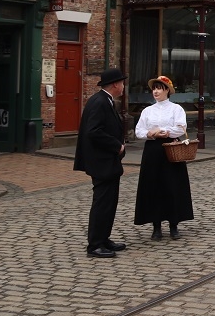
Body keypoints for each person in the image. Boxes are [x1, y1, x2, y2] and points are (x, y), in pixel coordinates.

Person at [73, 68, 128, 258]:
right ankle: (95, 244)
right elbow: (93, 131)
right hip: (101, 162)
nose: (123, 86)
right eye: (122, 83)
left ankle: (104, 238)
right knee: (102, 203)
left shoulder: (106, 100)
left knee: (109, 202)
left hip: (108, 162)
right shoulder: (100, 102)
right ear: (115, 84)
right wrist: (116, 146)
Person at [133, 76, 194, 241]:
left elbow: (181, 127)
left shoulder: (176, 109)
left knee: (172, 185)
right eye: (154, 88)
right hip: (153, 151)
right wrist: (150, 133)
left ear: (167, 90)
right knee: (154, 187)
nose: (156, 91)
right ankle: (156, 226)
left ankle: (174, 224)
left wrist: (167, 132)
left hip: (171, 149)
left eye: (159, 88)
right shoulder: (147, 111)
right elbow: (138, 131)